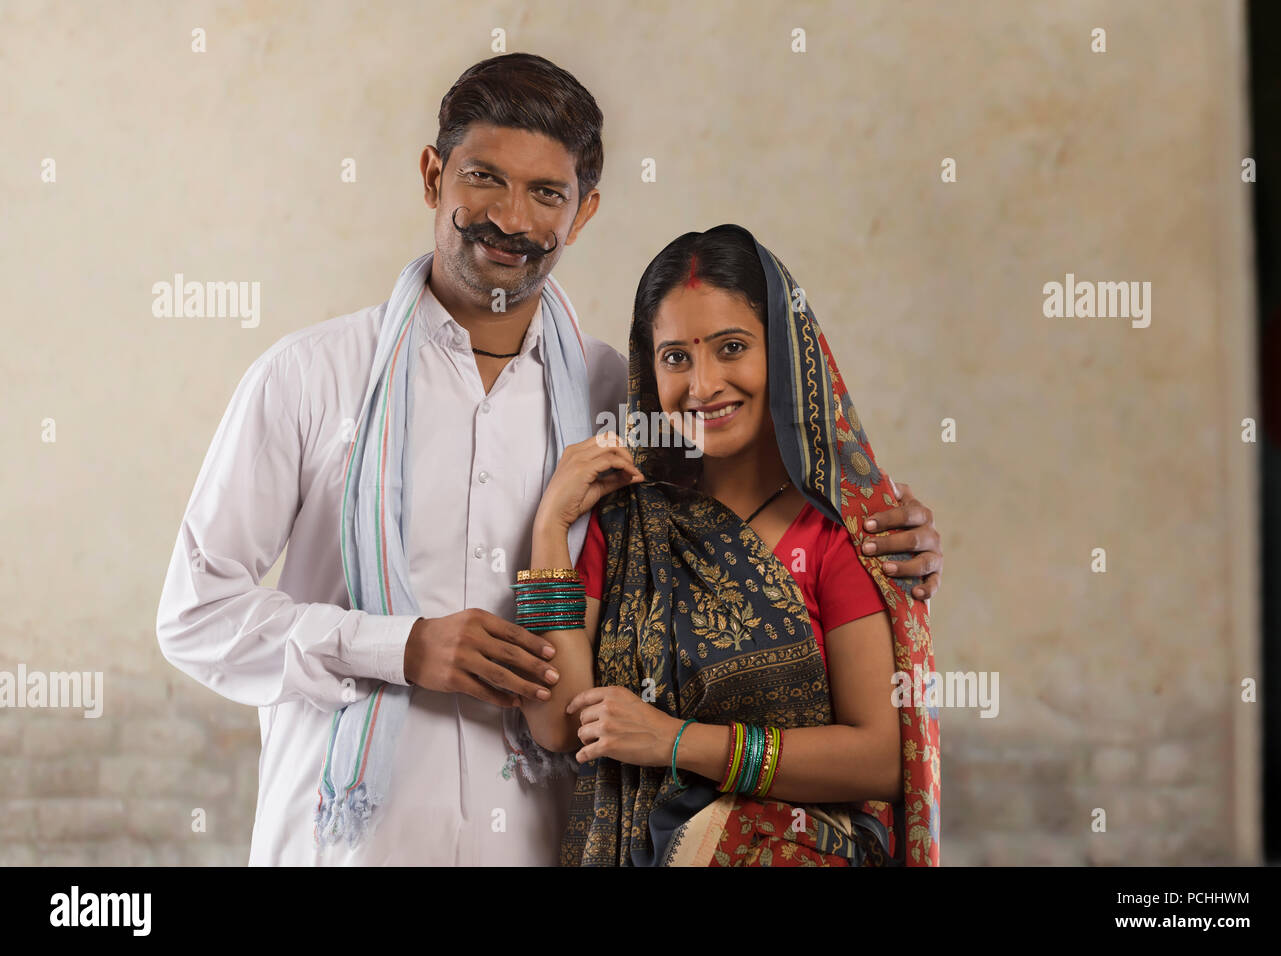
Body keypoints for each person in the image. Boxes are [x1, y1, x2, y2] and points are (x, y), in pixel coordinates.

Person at [156, 53, 944, 866]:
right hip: (350, 840)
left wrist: (897, 549)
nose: (511, 217)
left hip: (549, 838)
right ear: (434, 176)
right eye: (483, 178)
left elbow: (748, 541)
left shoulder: (619, 396)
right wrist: (399, 646)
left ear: (585, 210)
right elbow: (193, 615)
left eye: (546, 193)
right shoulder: (310, 377)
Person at [519, 224, 940, 865]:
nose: (703, 385)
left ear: (786, 355)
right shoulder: (626, 523)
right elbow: (557, 725)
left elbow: (881, 758)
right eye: (675, 357)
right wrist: (550, 526)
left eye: (732, 347)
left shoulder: (842, 533)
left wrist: (676, 741)